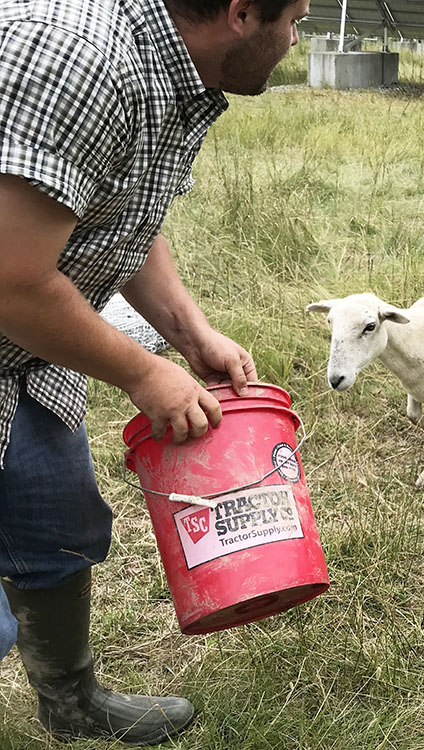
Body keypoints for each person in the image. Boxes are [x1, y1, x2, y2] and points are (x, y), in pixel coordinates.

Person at [0, 0, 309, 744]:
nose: (297, 39)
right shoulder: (84, 64)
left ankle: (69, 703)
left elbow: (120, 214)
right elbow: (9, 276)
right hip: (14, 306)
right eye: (294, 19)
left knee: (59, 529)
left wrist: (189, 332)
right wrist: (144, 374)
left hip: (23, 351)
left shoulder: (171, 75)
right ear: (240, 13)